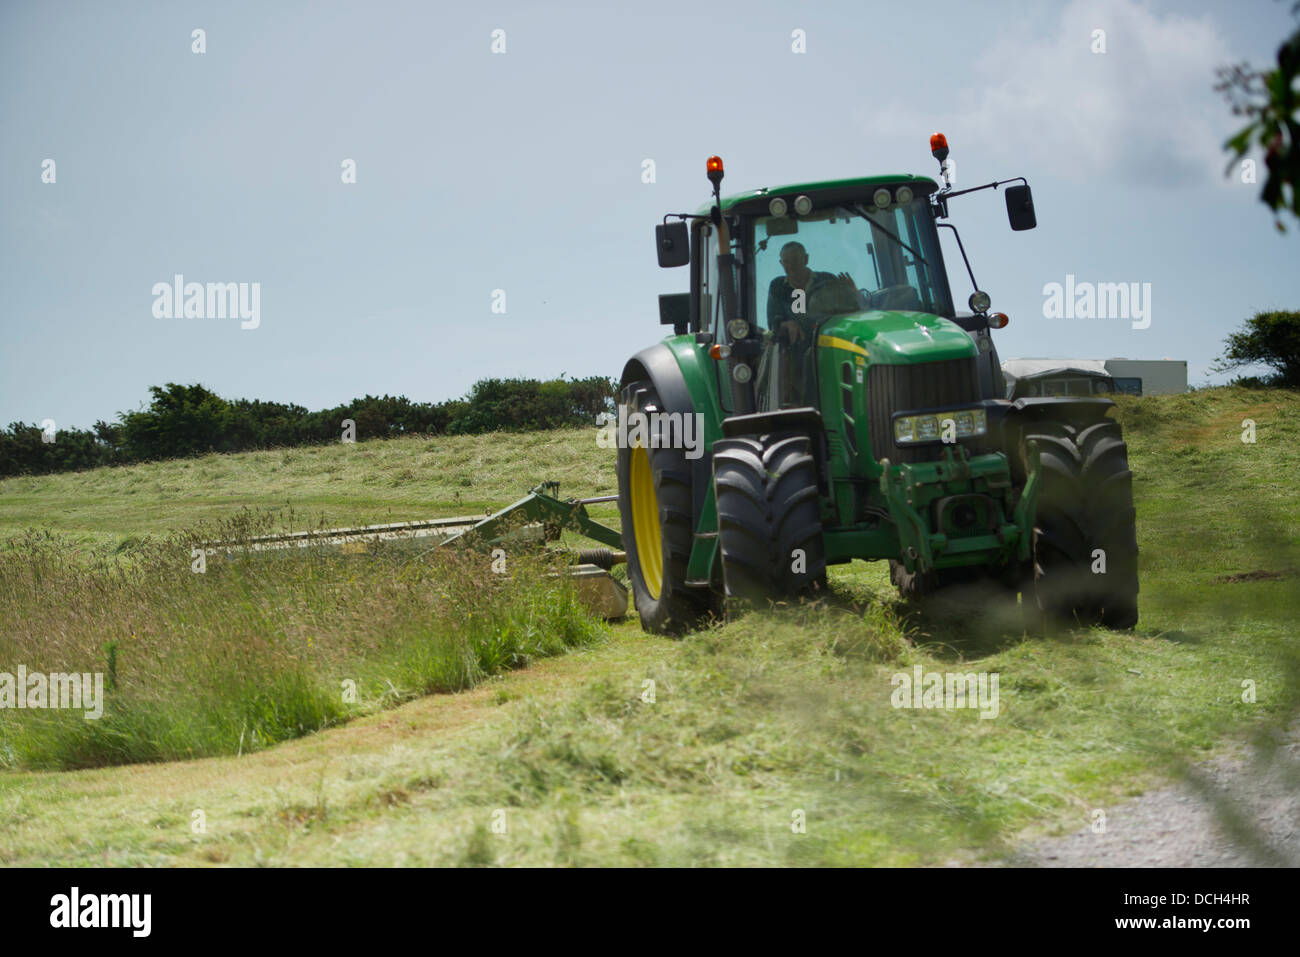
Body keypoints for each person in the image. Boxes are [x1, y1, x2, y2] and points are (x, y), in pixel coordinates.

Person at [765, 242, 859, 404]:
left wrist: (852, 292)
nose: (791, 266)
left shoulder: (827, 280)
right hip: (797, 350)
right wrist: (787, 324)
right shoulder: (778, 287)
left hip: (829, 343)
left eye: (795, 260)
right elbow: (773, 321)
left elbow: (850, 310)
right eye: (786, 262)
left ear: (806, 259)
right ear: (781, 263)